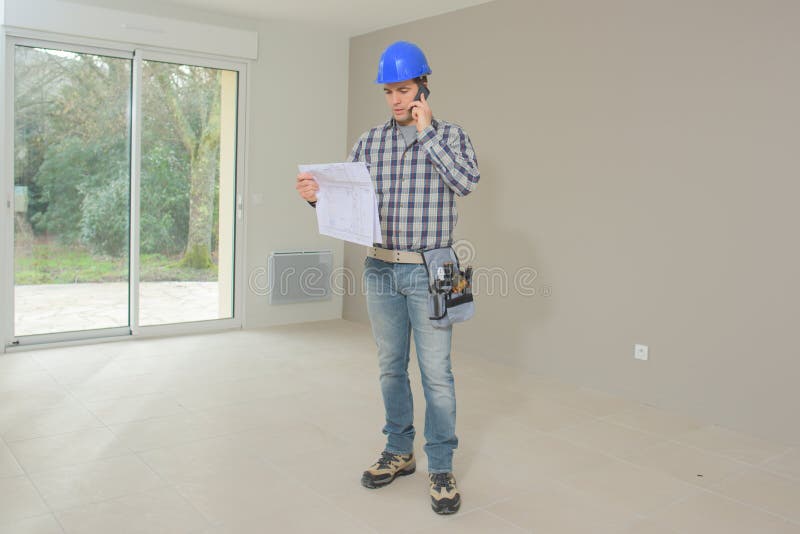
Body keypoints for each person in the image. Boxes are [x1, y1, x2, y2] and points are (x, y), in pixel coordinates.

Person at [296, 41, 480, 515]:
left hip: (432, 269)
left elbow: (466, 183)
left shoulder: (452, 136)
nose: (397, 99)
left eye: (404, 89)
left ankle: (440, 466)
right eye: (389, 91)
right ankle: (399, 453)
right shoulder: (368, 143)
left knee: (437, 375)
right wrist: (318, 198)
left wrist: (428, 135)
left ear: (422, 87)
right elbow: (350, 208)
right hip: (380, 268)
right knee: (389, 366)